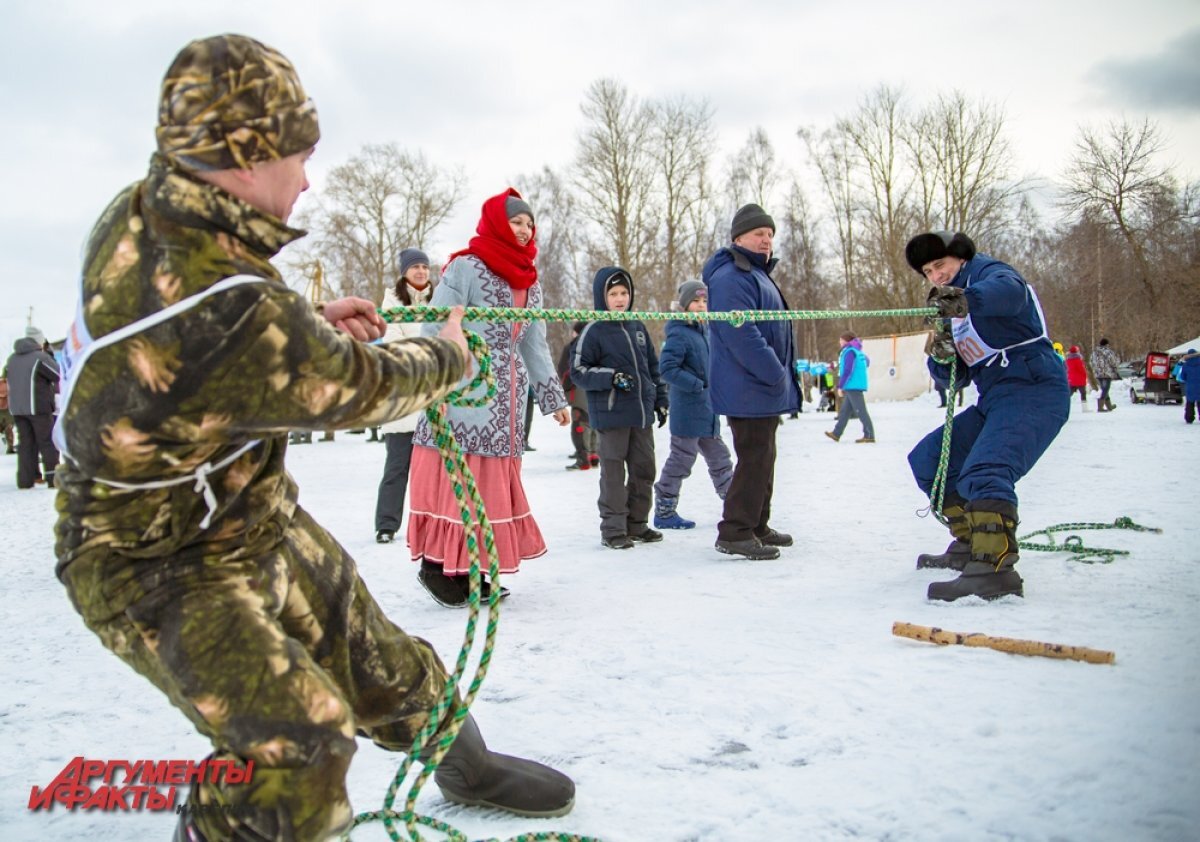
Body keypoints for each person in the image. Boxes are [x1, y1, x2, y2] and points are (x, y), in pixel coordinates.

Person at [51, 36, 574, 842]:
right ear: (244, 153)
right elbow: (368, 389)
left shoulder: (144, 209)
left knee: (380, 655)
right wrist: (452, 351)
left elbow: (225, 325)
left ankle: (465, 764)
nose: (306, 178)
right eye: (297, 157)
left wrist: (301, 321)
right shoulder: (231, 314)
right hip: (146, 562)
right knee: (297, 747)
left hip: (240, 514)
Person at [407, 188, 570, 606]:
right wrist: (442, 366)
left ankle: (472, 569)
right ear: (498, 222)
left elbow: (534, 344)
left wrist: (553, 398)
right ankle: (437, 569)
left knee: (488, 488)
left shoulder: (529, 281)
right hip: (463, 395)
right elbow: (433, 327)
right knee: (459, 481)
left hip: (507, 405)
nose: (524, 229)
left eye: (529, 223)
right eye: (516, 221)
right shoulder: (465, 267)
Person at [905, 230, 1068, 601]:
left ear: (961, 259)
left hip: (1034, 387)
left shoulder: (988, 275)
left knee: (986, 468)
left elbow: (1009, 293)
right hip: (994, 399)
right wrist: (942, 354)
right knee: (931, 460)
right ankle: (972, 541)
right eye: (928, 271)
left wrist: (964, 299)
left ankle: (994, 567)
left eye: (941, 265)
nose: (936, 276)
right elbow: (954, 378)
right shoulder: (951, 311)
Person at [704, 203, 799, 560]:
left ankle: (757, 523)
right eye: (759, 233)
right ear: (738, 237)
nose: (766, 240)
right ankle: (736, 530)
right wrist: (775, 371)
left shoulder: (755, 274)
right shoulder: (732, 276)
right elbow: (741, 333)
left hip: (761, 386)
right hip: (749, 385)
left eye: (770, 234)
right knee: (753, 456)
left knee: (764, 456)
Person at [572, 267, 668, 549]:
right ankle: (613, 530)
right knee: (613, 472)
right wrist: (610, 377)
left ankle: (637, 524)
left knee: (644, 469)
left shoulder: (637, 327)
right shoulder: (593, 330)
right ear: (602, 297)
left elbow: (653, 367)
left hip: (641, 414)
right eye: (613, 293)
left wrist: (661, 400)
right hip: (611, 414)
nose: (619, 299)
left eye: (624, 293)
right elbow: (578, 370)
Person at [653, 280, 733, 530]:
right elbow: (667, 369)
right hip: (688, 411)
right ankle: (665, 510)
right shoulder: (679, 332)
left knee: (721, 459)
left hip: (708, 411)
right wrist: (697, 384)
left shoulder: (706, 331)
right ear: (685, 305)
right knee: (681, 460)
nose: (700, 306)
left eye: (704, 302)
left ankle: (735, 505)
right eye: (696, 302)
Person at [374, 247, 434, 544]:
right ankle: (386, 523)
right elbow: (393, 341)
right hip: (404, 394)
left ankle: (434, 525)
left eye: (424, 266)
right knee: (397, 465)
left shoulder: (441, 298)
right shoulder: (392, 301)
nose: (421, 271)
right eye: (415, 267)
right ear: (405, 272)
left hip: (436, 394)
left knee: (436, 469)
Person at [6, 326, 60, 487]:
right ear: (39, 341)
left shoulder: (12, 358)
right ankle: (53, 478)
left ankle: (25, 480)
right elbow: (57, 374)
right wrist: (48, 354)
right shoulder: (39, 357)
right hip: (38, 406)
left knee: (25, 444)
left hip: (17, 408)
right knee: (47, 441)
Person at [558, 322, 598, 471]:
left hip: (580, 390)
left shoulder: (573, 347)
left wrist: (565, 388)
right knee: (594, 422)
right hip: (596, 389)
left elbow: (564, 369)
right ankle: (594, 455)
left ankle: (583, 458)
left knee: (580, 422)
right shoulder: (597, 343)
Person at [824, 331, 876, 443]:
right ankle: (836, 433)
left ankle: (869, 435)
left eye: (841, 340)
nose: (840, 342)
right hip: (856, 384)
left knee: (861, 411)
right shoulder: (858, 351)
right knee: (845, 411)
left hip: (852, 385)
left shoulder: (848, 352)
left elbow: (847, 371)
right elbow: (867, 362)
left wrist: (840, 386)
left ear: (846, 341)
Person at [1091, 337, 1120, 412]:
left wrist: (1096, 369)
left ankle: (1109, 406)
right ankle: (1100, 407)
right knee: (1105, 389)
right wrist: (1115, 367)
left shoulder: (1094, 352)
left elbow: (1091, 362)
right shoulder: (1109, 352)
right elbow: (1113, 362)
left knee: (1104, 389)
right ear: (1107, 344)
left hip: (1098, 374)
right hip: (1107, 373)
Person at [1177, 348, 1200, 424]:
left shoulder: (1185, 365)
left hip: (1190, 387)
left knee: (1190, 403)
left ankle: (1189, 418)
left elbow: (1182, 377)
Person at [1064, 344, 1090, 412]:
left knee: (1069, 393)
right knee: (1083, 393)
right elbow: (1082, 369)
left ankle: (1062, 405)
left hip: (1071, 379)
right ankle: (1085, 408)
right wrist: (1085, 375)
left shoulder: (1067, 360)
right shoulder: (1078, 360)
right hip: (1080, 379)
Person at [0, 369, 15, 455]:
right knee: (8, 428)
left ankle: (10, 447)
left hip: (7, 409)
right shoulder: (12, 383)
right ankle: (10, 447)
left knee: (8, 428)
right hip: (8, 409)